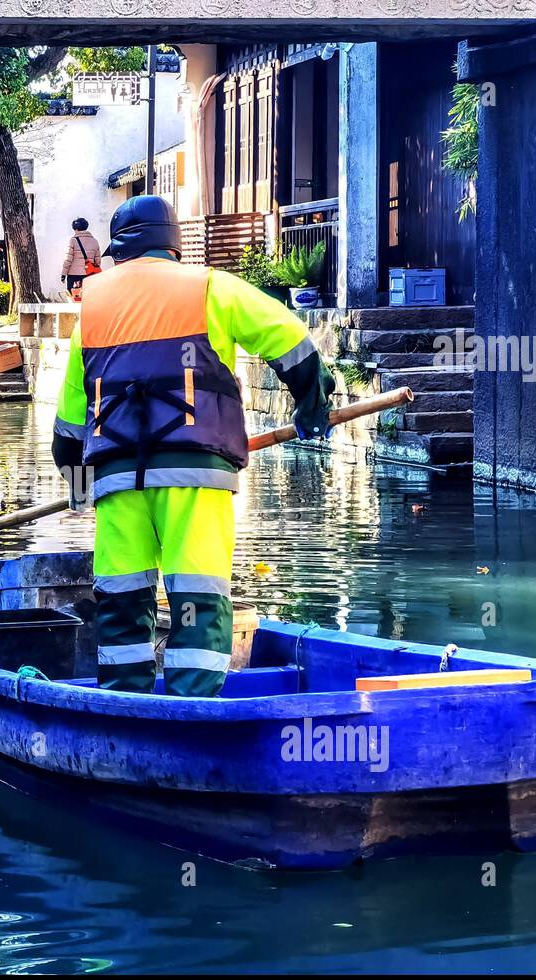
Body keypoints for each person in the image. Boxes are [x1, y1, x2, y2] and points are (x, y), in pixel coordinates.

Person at [50, 195, 335, 698]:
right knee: (197, 594)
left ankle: (122, 702)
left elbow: (69, 428)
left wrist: (79, 488)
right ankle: (191, 705)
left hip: (117, 480)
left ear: (119, 249)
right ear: (173, 244)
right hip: (195, 473)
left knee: (122, 596)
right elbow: (290, 338)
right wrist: (311, 404)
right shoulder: (210, 287)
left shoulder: (91, 308)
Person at [61, 218, 102, 295]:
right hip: (88, 274)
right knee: (87, 294)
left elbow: (68, 259)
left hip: (73, 275)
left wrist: (63, 274)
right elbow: (98, 261)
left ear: (75, 229)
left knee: (72, 294)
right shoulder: (95, 241)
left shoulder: (73, 240)